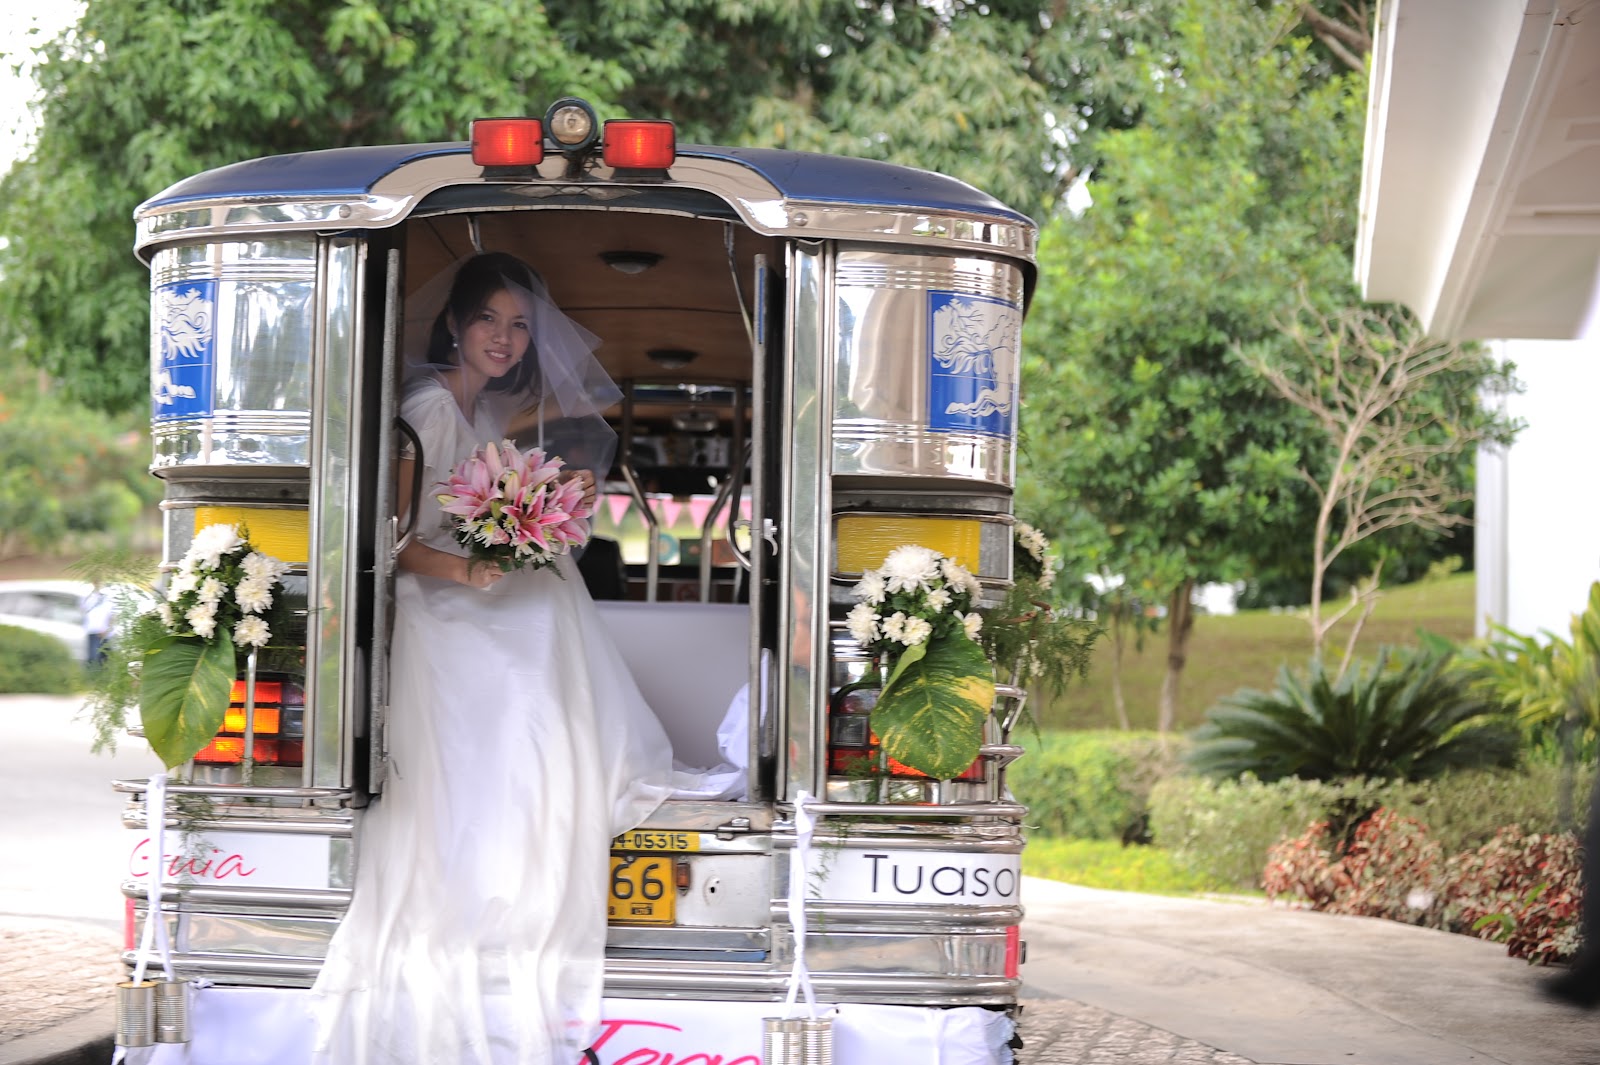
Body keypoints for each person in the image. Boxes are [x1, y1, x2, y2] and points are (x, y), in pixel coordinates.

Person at [311, 252, 730, 1064]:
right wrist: (472, 565)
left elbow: (506, 485)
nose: (503, 338)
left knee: (551, 584)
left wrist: (545, 505)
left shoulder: (488, 412)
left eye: (519, 325)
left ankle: (564, 781)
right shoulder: (428, 408)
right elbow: (392, 545)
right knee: (541, 602)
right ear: (455, 328)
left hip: (471, 587)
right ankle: (552, 797)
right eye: (487, 321)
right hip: (436, 601)